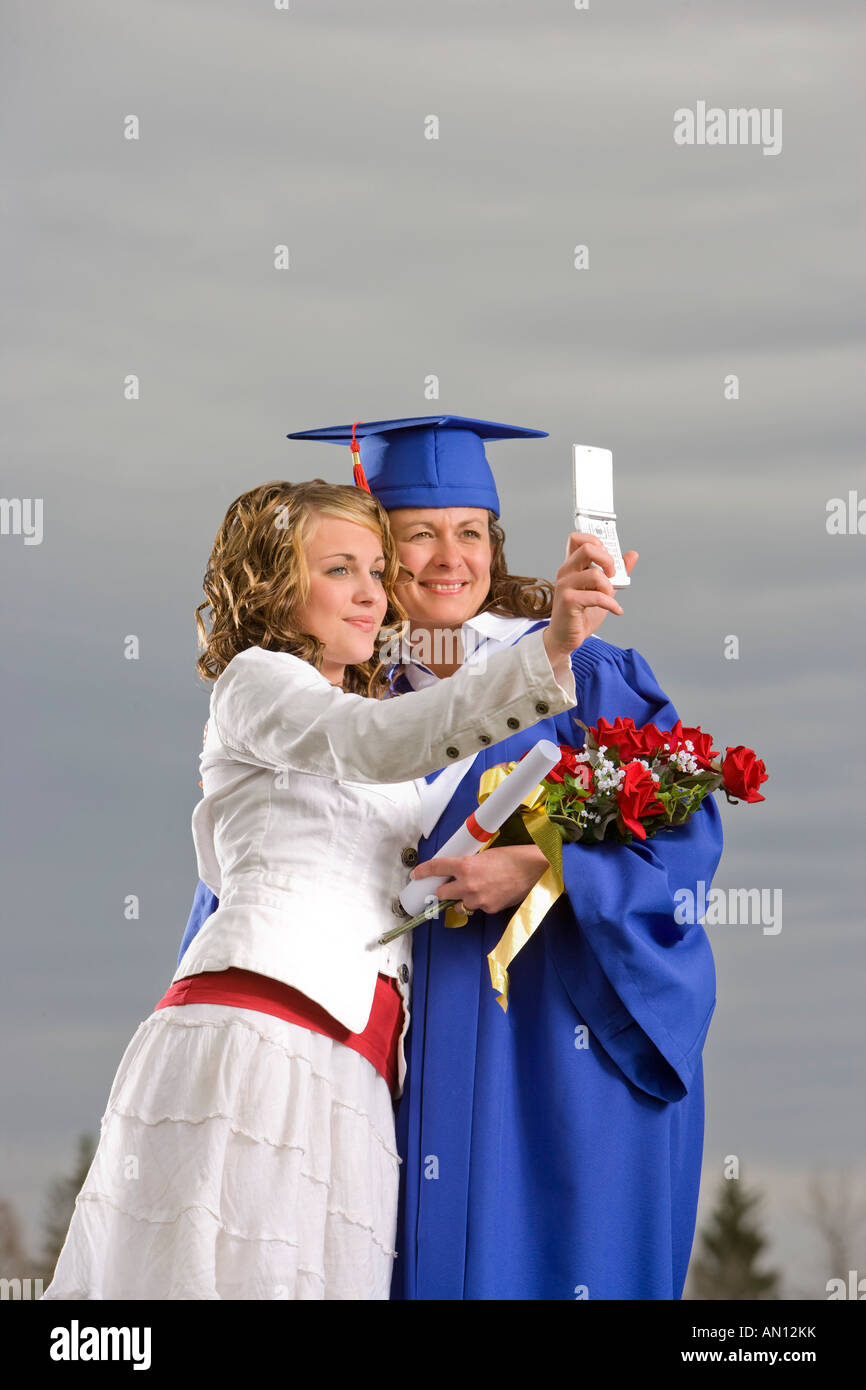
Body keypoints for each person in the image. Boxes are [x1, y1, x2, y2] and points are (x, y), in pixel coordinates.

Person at [180, 417, 725, 1300]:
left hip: (547, 1042)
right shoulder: (332, 691)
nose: (449, 559)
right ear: (368, 561)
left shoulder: (587, 671)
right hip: (384, 1063)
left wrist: (545, 871)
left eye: (470, 531)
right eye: (416, 537)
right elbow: (252, 867)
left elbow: (681, 841)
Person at [42, 477, 597, 1301]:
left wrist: (535, 856)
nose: (372, 594)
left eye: (378, 570)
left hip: (359, 1066)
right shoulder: (256, 683)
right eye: (341, 569)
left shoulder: (355, 706)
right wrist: (548, 652)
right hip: (260, 1031)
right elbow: (376, 744)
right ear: (274, 581)